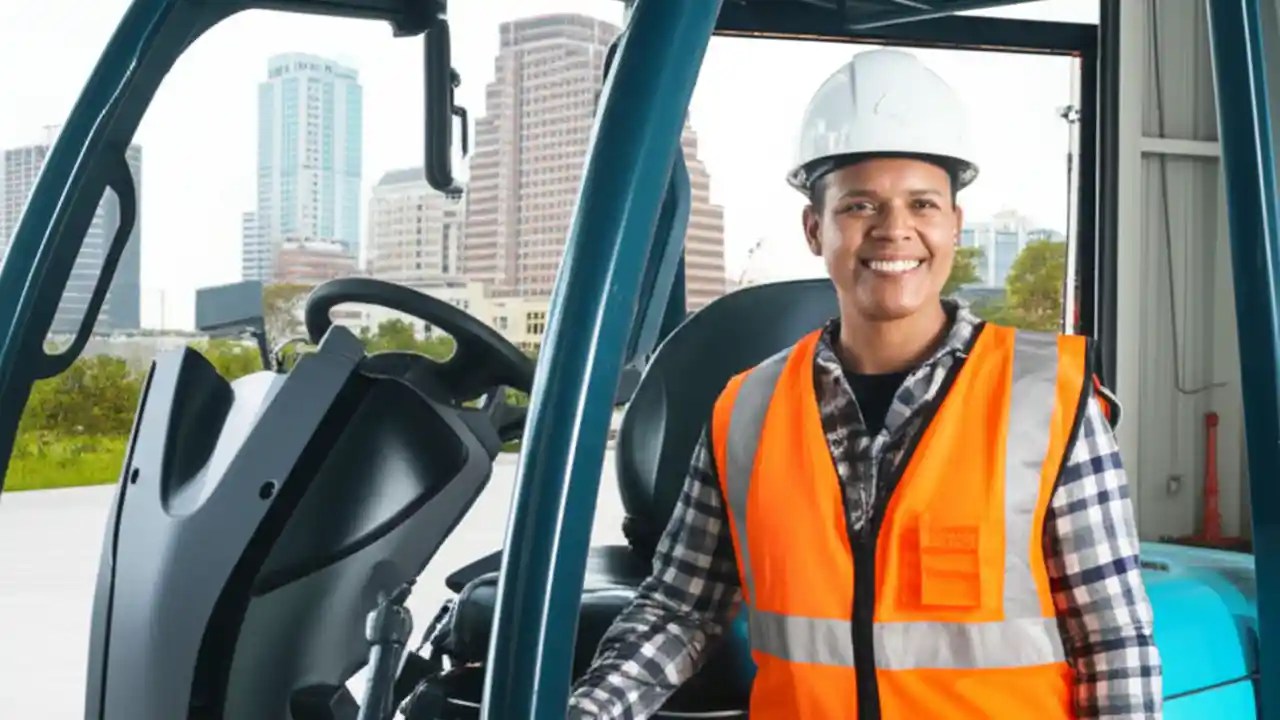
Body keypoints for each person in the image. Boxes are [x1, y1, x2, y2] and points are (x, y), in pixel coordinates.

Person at [567, 48, 1161, 719]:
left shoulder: (1046, 401)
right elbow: (680, 610)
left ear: (954, 226)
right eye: (859, 206)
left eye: (922, 204)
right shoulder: (747, 412)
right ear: (815, 229)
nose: (893, 229)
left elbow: (1113, 643)